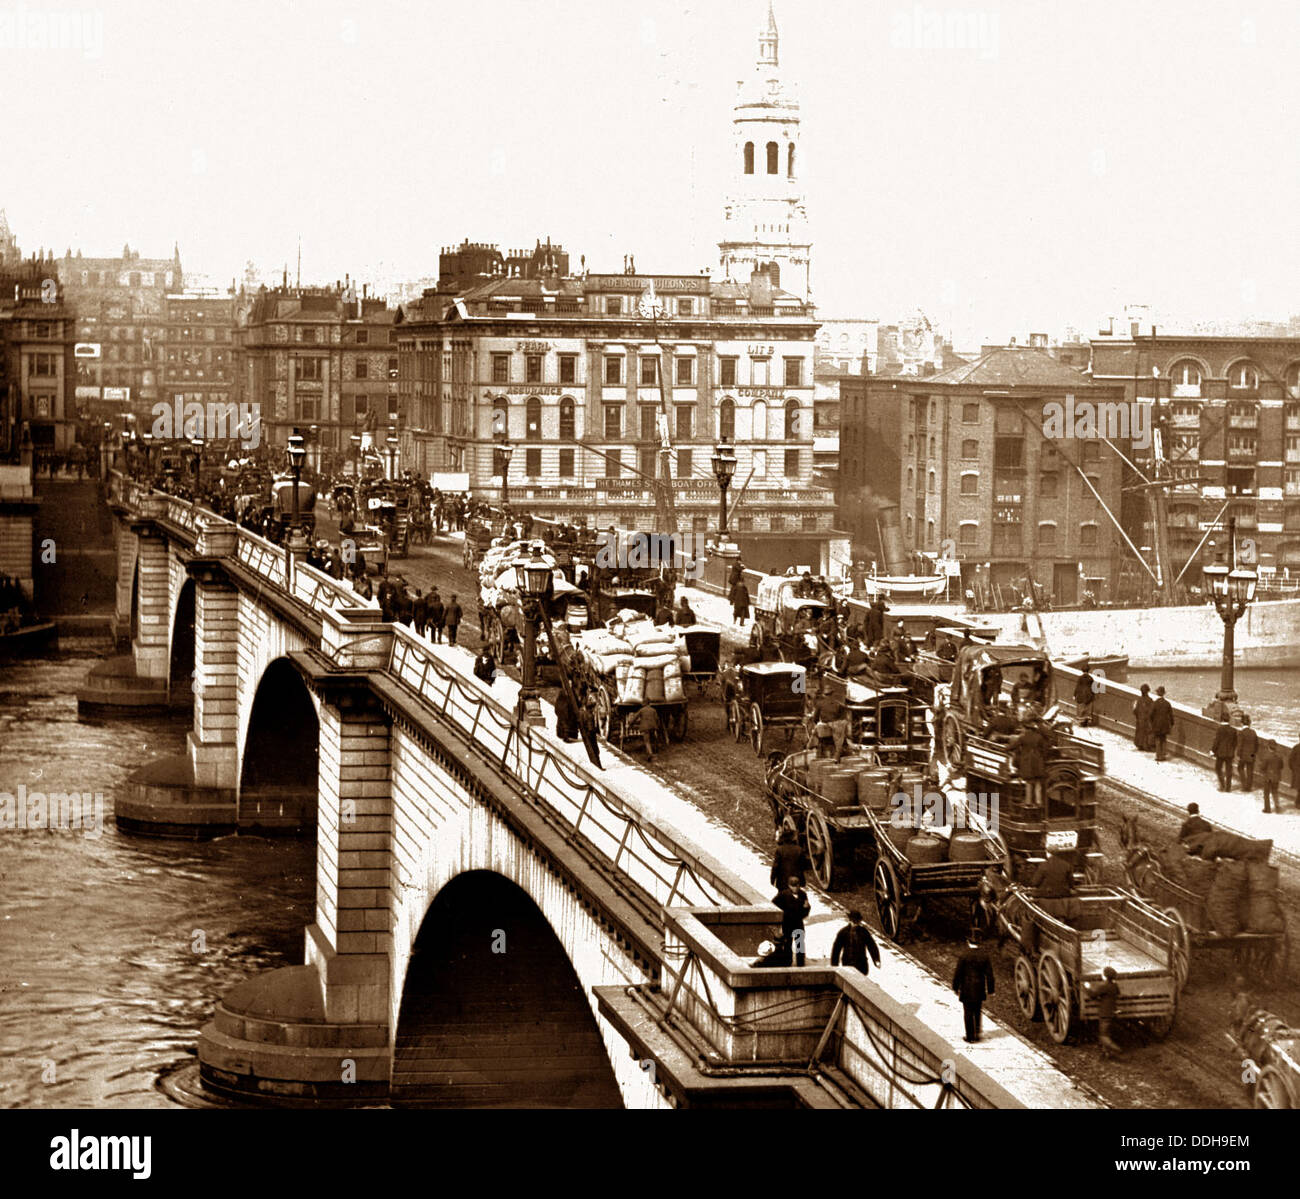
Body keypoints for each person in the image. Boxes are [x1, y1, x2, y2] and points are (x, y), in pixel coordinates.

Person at [952, 936, 996, 1043]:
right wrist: (991, 990)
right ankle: (977, 1034)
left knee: (968, 1012)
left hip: (966, 988)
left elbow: (958, 973)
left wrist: (955, 987)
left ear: (968, 942)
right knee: (977, 1011)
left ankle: (970, 1036)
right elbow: (990, 975)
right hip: (979, 988)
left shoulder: (964, 955)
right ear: (979, 943)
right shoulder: (984, 956)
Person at [831, 909, 881, 976]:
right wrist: (834, 964)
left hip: (861, 964)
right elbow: (836, 948)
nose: (855, 924)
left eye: (857, 922)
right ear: (850, 921)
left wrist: (876, 960)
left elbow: (871, 946)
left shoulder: (864, 932)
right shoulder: (843, 932)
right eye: (854, 922)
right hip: (848, 963)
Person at [774, 877, 811, 967]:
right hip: (787, 924)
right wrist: (779, 920)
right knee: (787, 944)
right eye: (793, 886)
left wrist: (806, 908)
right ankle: (787, 963)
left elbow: (806, 909)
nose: (795, 888)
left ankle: (800, 964)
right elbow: (774, 905)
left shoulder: (803, 894)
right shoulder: (783, 895)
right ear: (789, 886)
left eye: (797, 885)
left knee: (800, 944)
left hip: (798, 923)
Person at [1011, 719, 1048, 807]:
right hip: (1038, 761)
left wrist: (1005, 748)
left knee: (1029, 782)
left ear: (1027, 729)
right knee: (1038, 782)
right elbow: (1045, 749)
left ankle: (1028, 802)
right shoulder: (1039, 737)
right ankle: (1038, 802)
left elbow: (1012, 747)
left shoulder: (1023, 738)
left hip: (1027, 762)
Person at [1088, 967, 1122, 1058]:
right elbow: (1118, 993)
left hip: (1104, 1013)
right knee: (1107, 1032)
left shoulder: (1104, 986)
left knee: (1103, 1035)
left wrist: (1087, 987)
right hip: (1112, 1012)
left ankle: (1118, 1050)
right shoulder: (1114, 985)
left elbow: (1092, 995)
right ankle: (1106, 1053)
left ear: (1105, 976)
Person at [771, 823, 809, 889]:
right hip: (796, 881)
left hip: (782, 881)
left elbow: (775, 866)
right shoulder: (799, 849)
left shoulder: (779, 850)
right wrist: (802, 880)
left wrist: (773, 879)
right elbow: (803, 866)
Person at [577, 691, 603, 770]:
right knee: (595, 751)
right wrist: (594, 732)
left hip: (586, 734)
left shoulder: (582, 713)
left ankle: (597, 766)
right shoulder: (590, 715)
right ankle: (598, 766)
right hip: (591, 735)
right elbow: (591, 728)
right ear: (592, 708)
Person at [1149, 686, 1174, 762]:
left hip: (1157, 724)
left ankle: (1158, 756)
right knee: (1163, 739)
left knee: (1157, 739)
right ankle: (1163, 755)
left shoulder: (1155, 703)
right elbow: (1171, 715)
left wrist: (1152, 723)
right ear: (1164, 693)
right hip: (1165, 725)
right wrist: (1172, 724)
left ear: (1157, 693)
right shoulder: (1167, 703)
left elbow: (1151, 714)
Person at [1213, 716, 1237, 792]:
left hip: (1220, 753)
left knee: (1218, 768)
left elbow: (1217, 741)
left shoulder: (1220, 729)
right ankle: (1228, 788)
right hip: (1230, 753)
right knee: (1229, 770)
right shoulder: (1233, 730)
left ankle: (1222, 785)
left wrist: (1213, 750)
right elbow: (1235, 743)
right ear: (1228, 720)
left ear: (1222, 720)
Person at [1260, 739, 1284, 814]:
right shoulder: (1279, 756)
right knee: (1275, 792)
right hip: (1276, 777)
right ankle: (1277, 807)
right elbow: (1281, 766)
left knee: (1266, 793)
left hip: (1268, 777)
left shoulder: (1266, 756)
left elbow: (1263, 767)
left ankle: (1267, 809)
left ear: (1268, 747)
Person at [1236, 714, 1259, 792]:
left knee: (1240, 768)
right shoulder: (1253, 732)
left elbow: (1240, 745)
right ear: (1249, 723)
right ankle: (1248, 787)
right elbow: (1256, 745)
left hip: (1243, 755)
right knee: (1250, 771)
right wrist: (1254, 753)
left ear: (1242, 723)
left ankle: (1244, 784)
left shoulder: (1241, 733)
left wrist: (1238, 754)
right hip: (1251, 755)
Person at [1133, 683, 1154, 752]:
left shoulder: (1139, 700)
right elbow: (1152, 711)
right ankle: (1146, 746)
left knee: (1140, 732)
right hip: (1147, 720)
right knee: (1147, 733)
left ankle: (1140, 745)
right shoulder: (1150, 700)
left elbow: (1135, 711)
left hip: (1140, 719)